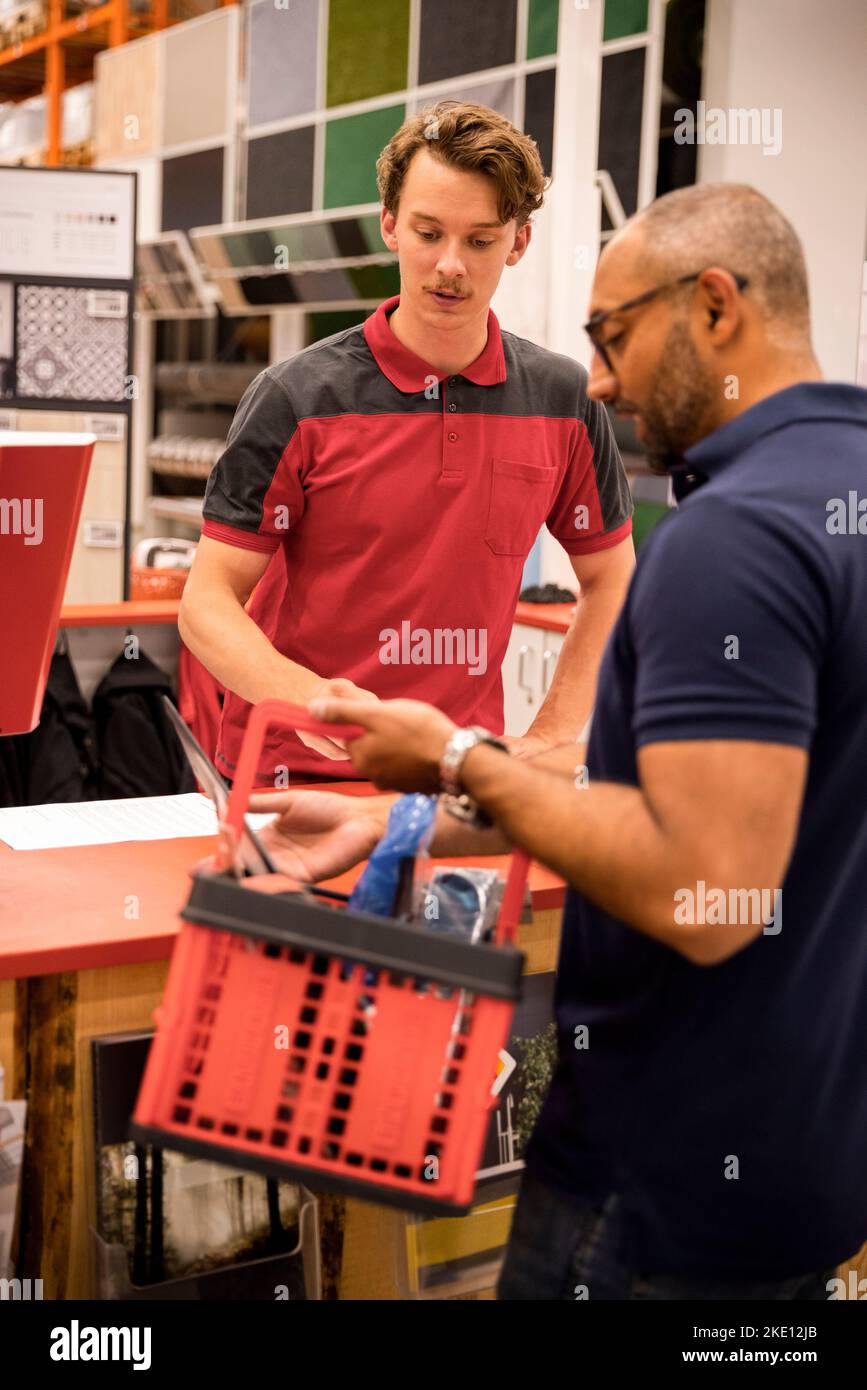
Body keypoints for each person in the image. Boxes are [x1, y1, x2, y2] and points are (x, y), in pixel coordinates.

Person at [253, 183, 867, 1299]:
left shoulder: (731, 538)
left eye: (615, 333)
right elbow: (711, 807)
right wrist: (403, 817)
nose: (598, 377)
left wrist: (455, 755)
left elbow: (700, 883)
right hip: (812, 1165)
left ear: (716, 306)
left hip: (655, 1186)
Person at [179, 101, 634, 788]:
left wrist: (548, 738)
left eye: (480, 241)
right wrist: (316, 706)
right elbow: (206, 602)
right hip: (293, 776)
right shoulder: (296, 398)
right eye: (428, 232)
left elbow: (611, 578)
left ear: (518, 243)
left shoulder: (563, 400)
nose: (450, 265)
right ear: (390, 224)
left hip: (455, 784)